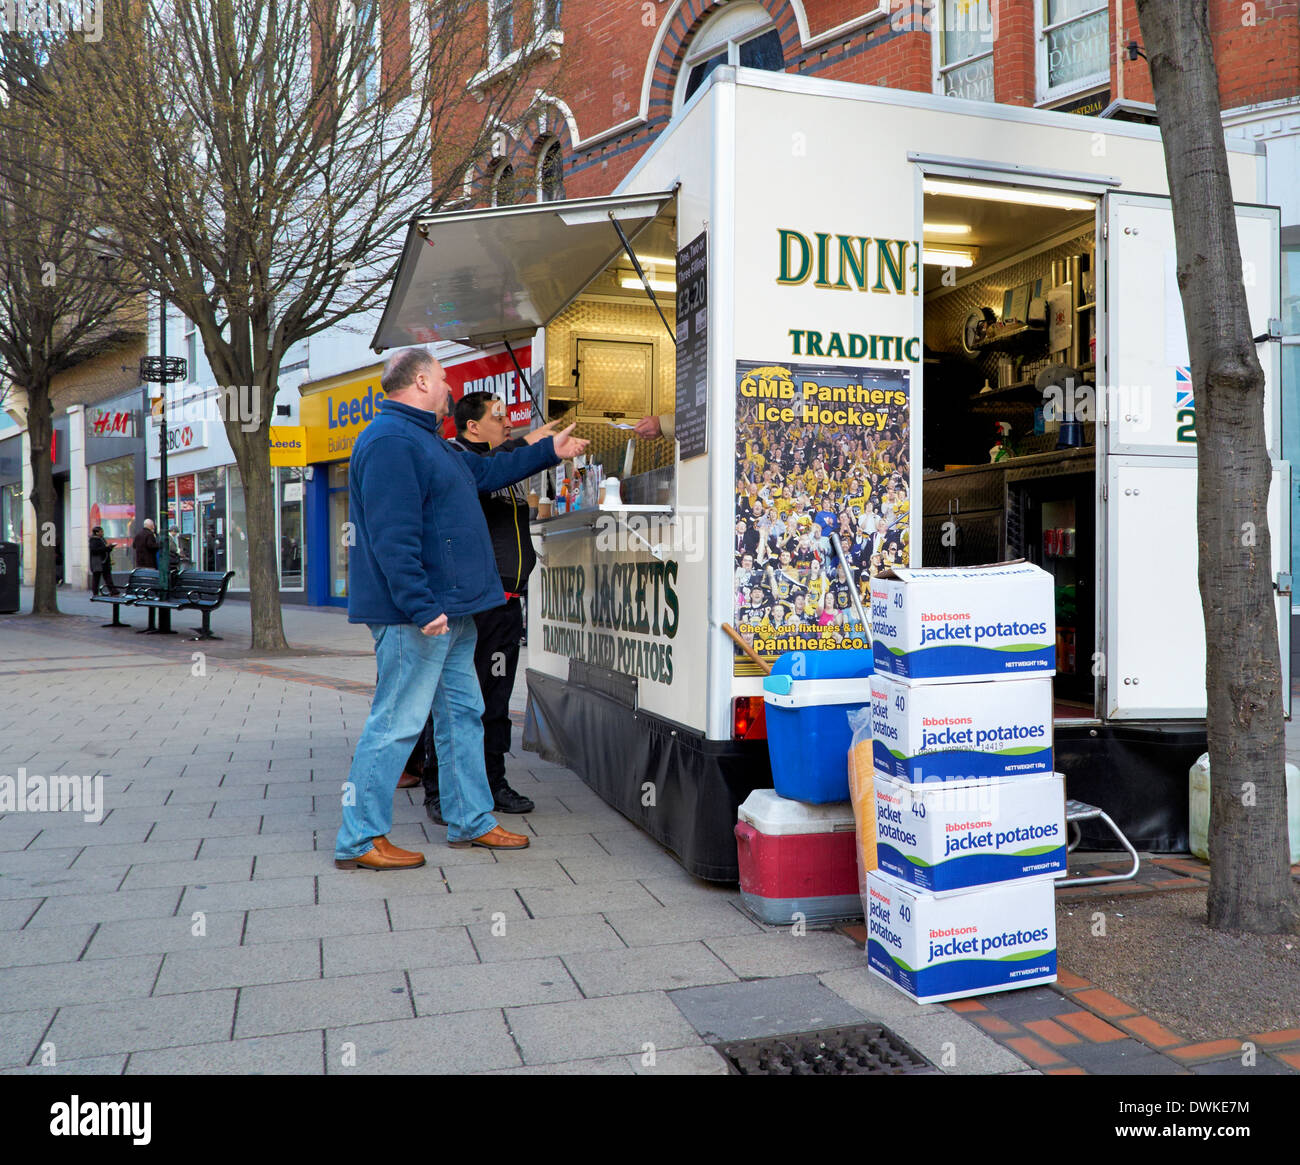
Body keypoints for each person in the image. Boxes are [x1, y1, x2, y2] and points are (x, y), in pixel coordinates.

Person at [334, 348, 586, 871]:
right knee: (396, 724)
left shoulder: (427, 442)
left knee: (463, 716)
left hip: (454, 611)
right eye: (445, 380)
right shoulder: (389, 442)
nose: (450, 388)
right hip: (419, 617)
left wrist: (549, 451)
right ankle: (359, 838)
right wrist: (420, 606)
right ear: (422, 380)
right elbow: (391, 536)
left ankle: (470, 818)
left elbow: (488, 470)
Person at [412, 392, 562, 823]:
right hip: (475, 603)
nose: (508, 421)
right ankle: (439, 789)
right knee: (458, 701)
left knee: (495, 699)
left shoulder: (498, 465)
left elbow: (501, 462)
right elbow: (486, 471)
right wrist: (531, 446)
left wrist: (531, 442)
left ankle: (493, 780)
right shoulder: (459, 460)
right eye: (499, 416)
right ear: (472, 426)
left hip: (506, 605)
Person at [88, 526, 120, 595]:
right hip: (98, 562)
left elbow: (106, 549)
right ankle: (95, 592)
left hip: (105, 561)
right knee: (96, 578)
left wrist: (110, 547)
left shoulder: (102, 539)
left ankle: (113, 591)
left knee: (108, 577)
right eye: (101, 532)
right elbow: (94, 550)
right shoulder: (93, 540)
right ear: (97, 533)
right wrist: (106, 548)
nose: (103, 533)